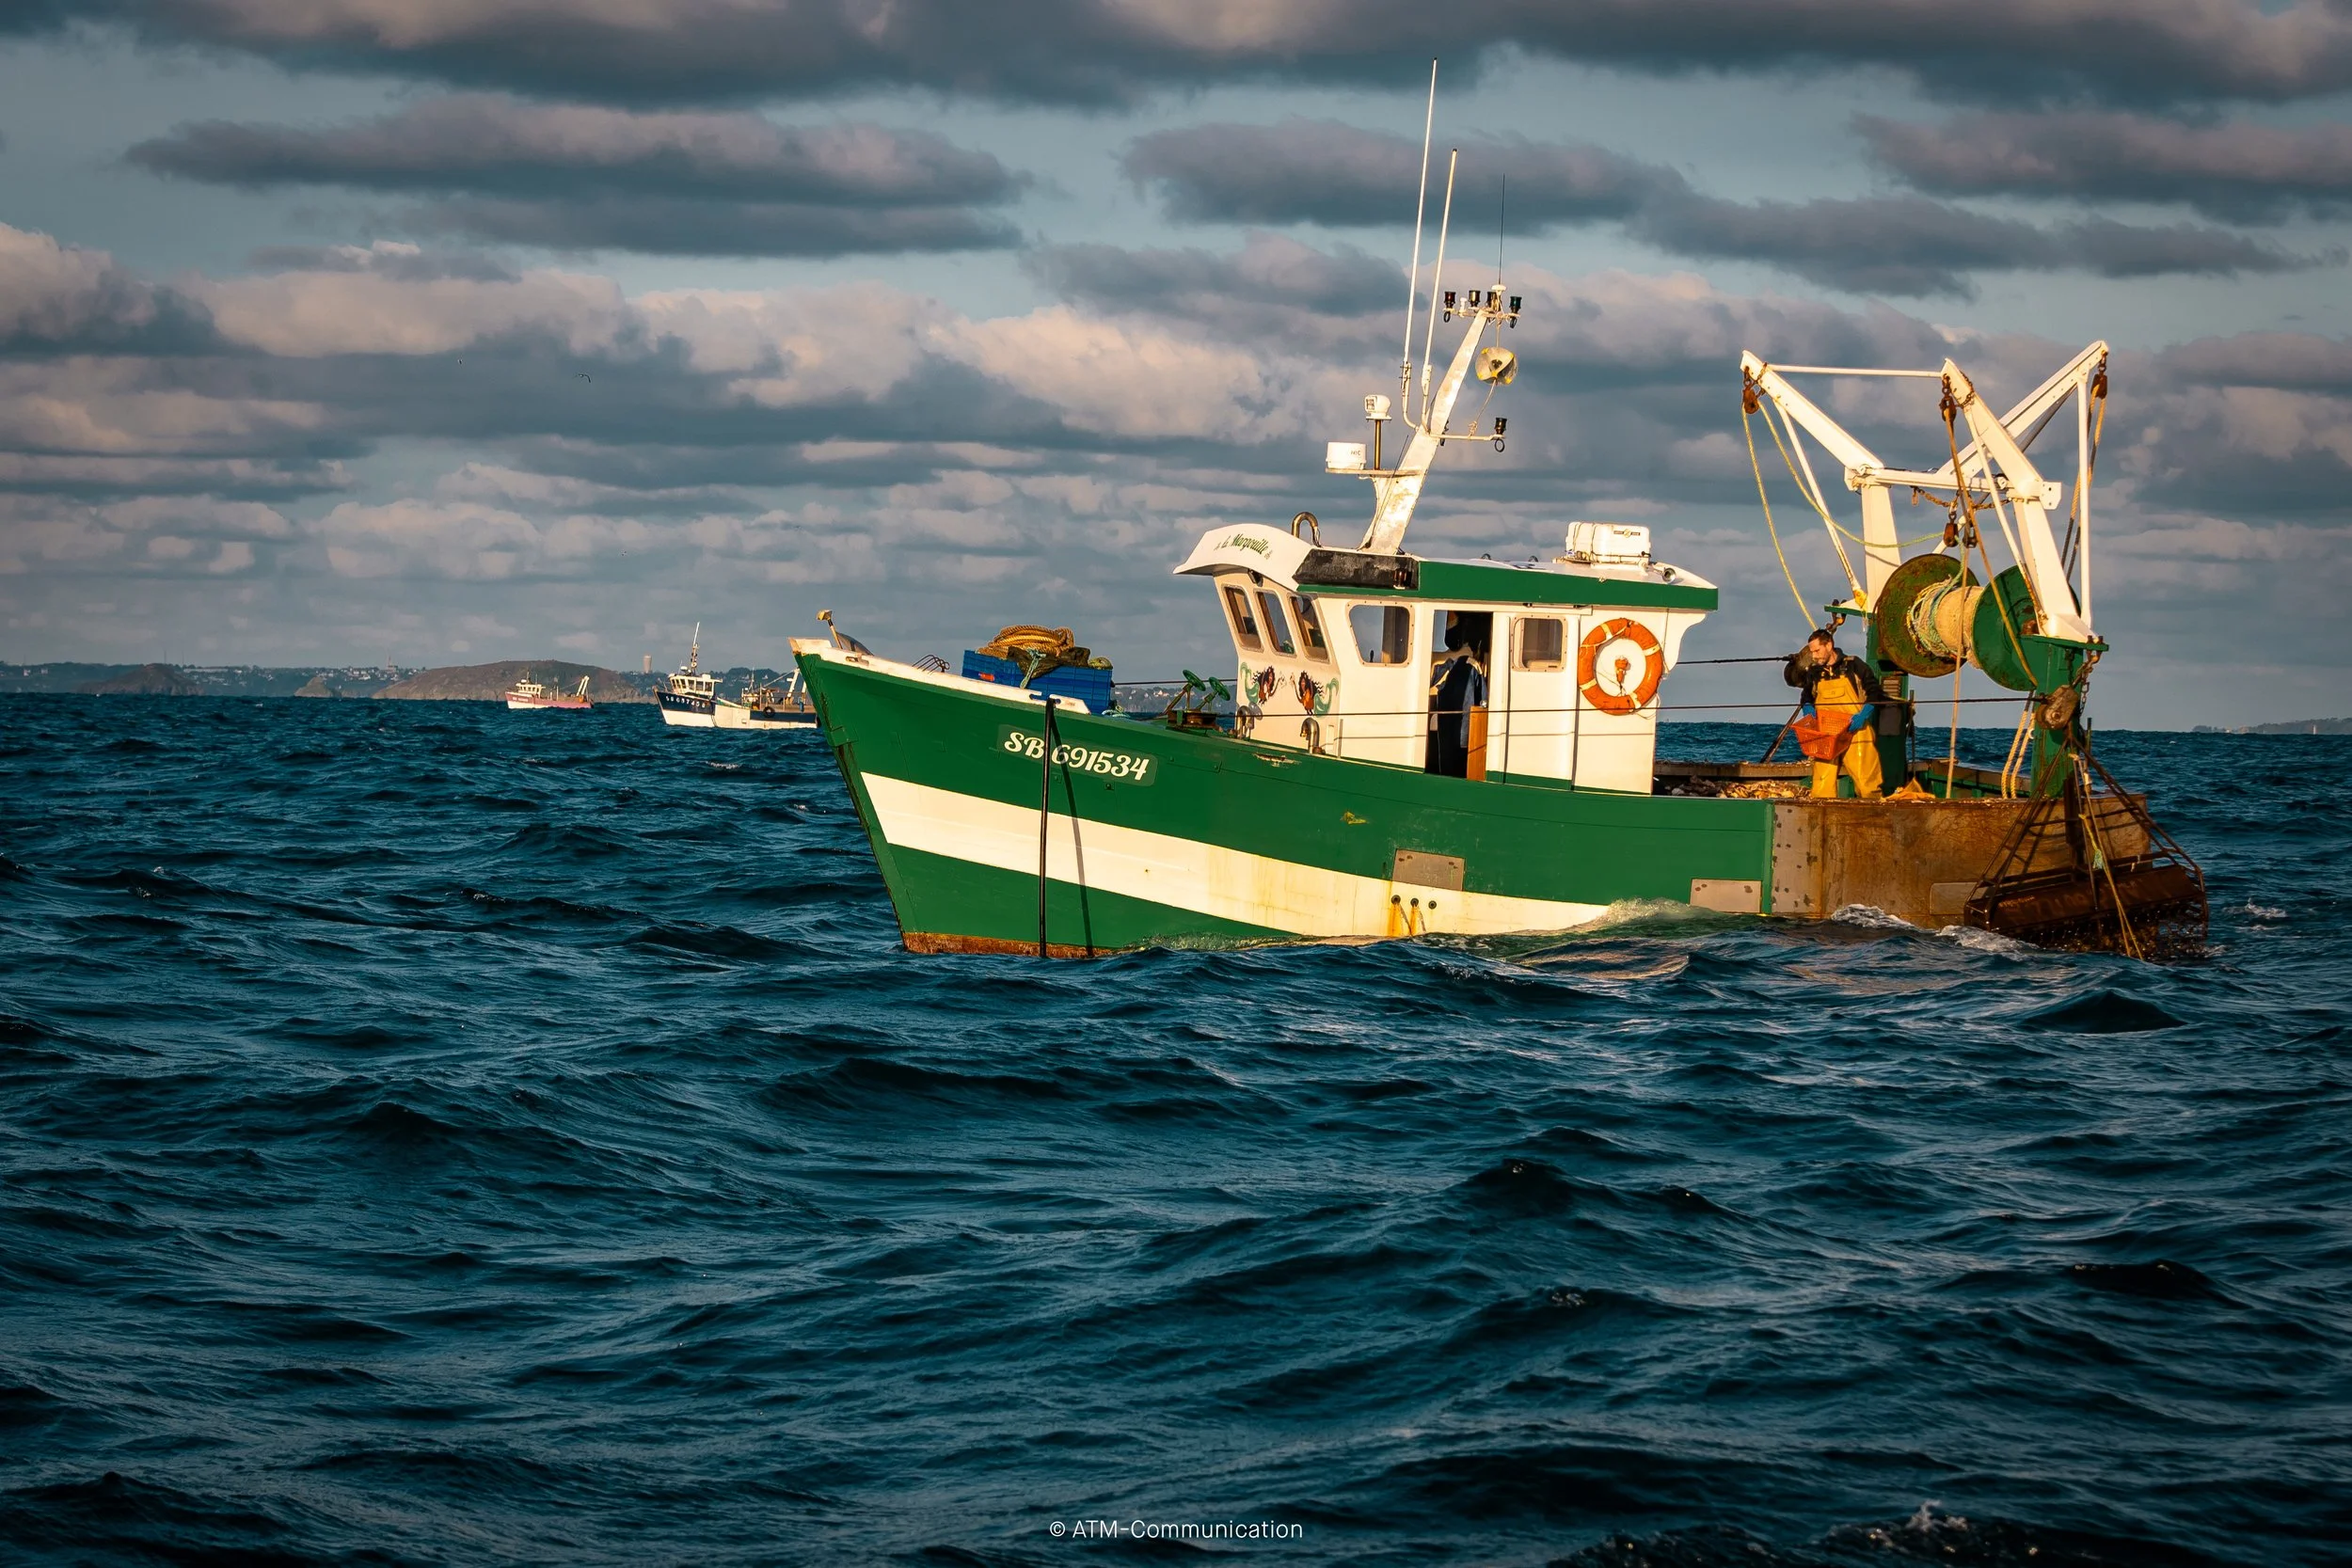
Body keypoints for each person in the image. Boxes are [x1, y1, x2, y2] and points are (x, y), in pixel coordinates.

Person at [1783, 626, 1883, 800]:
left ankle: (1874, 809)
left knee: (1867, 782)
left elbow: (1874, 691)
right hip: (1826, 735)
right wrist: (1808, 708)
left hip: (1856, 731)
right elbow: (1806, 696)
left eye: (1817, 651)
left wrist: (1864, 714)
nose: (1814, 656)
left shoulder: (1854, 665)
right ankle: (1822, 811)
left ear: (1829, 645)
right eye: (1812, 652)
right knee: (1822, 784)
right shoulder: (1815, 672)